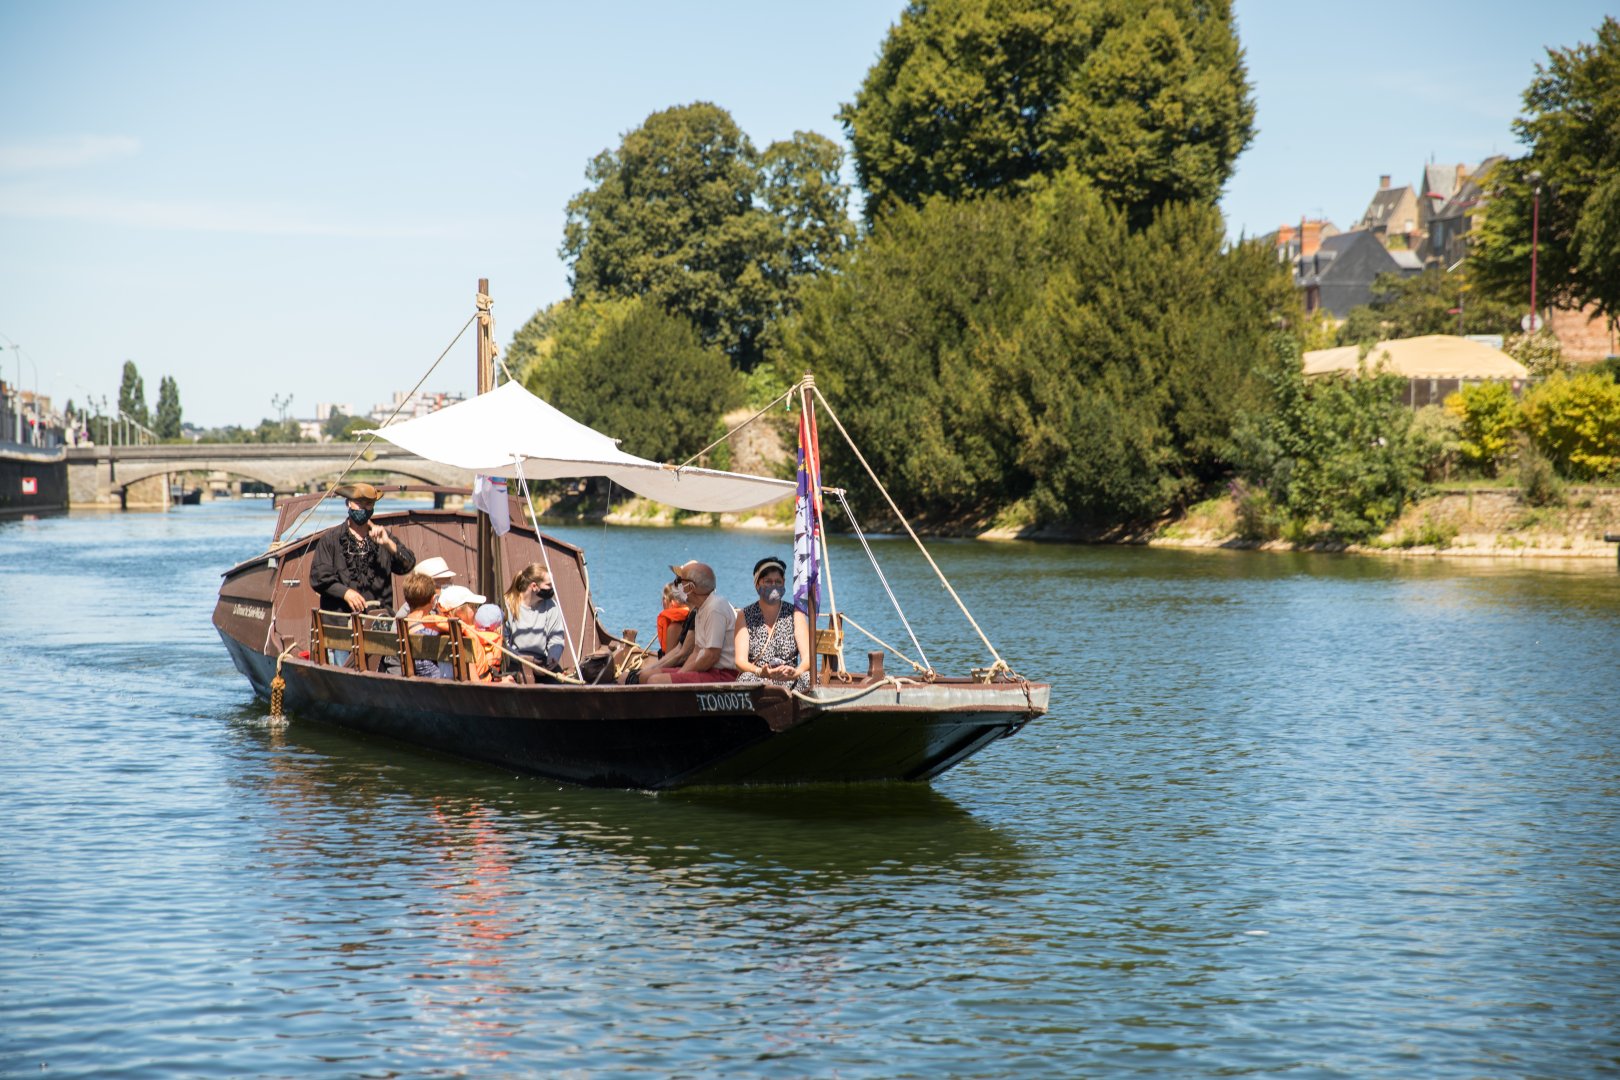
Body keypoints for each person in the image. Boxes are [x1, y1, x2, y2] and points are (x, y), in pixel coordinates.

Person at [309, 482, 417, 614]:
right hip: (340, 620)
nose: (363, 508)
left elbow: (408, 564)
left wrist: (388, 544)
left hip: (378, 620)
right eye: (359, 503)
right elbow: (319, 578)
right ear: (349, 503)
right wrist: (346, 593)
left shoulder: (384, 537)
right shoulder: (331, 539)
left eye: (368, 504)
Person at [635, 561, 740, 685]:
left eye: (680, 582)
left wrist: (680, 676)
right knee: (646, 676)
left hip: (723, 674)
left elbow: (711, 656)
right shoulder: (701, 609)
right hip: (707, 671)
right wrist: (681, 674)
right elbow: (696, 652)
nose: (677, 585)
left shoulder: (715, 608)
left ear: (690, 587)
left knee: (655, 680)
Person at [734, 556, 810, 690]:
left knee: (808, 677)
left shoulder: (796, 613)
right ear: (757, 584)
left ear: (784, 583)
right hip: (758, 678)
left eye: (778, 582)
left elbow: (808, 658)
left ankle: (801, 709)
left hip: (789, 678)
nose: (773, 586)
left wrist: (795, 673)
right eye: (768, 581)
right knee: (746, 677)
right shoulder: (744, 615)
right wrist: (760, 672)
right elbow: (740, 661)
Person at [502, 563, 568, 675]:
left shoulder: (551, 606)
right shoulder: (507, 605)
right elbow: (503, 643)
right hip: (515, 663)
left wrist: (553, 656)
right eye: (548, 585)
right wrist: (525, 661)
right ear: (534, 587)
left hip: (542, 663)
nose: (552, 589)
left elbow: (556, 638)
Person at [400, 571, 453, 678]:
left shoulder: (401, 625)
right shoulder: (432, 628)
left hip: (411, 680)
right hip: (435, 682)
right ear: (433, 599)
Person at [655, 580, 689, 657]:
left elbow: (668, 658)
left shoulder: (674, 627)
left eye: (663, 598)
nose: (662, 602)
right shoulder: (691, 616)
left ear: (671, 602)